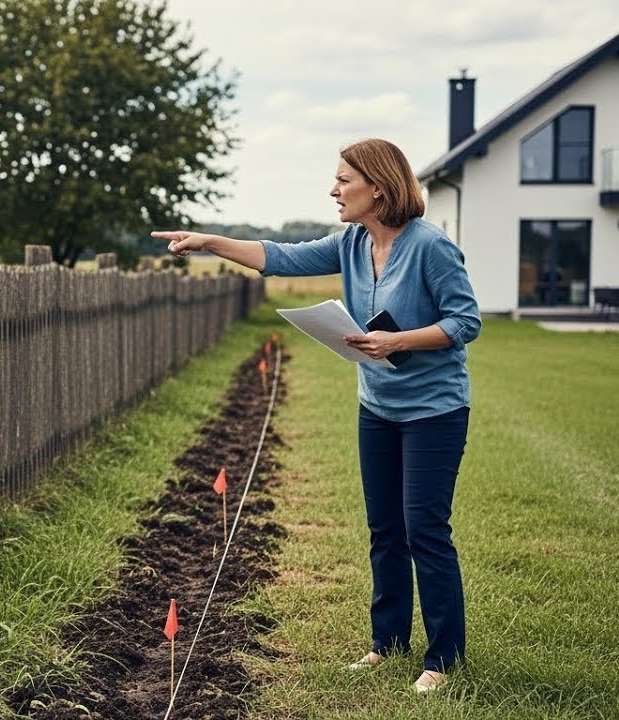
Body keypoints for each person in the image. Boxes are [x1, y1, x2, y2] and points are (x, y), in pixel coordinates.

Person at [153, 138, 480, 694]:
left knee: (425, 529)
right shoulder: (351, 242)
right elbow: (279, 256)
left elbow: (465, 321)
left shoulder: (430, 247)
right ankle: (388, 643)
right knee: (385, 530)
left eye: (342, 180)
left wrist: (398, 339)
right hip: (377, 407)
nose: (333, 190)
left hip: (433, 412)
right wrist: (209, 241)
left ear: (377, 186)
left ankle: (443, 659)